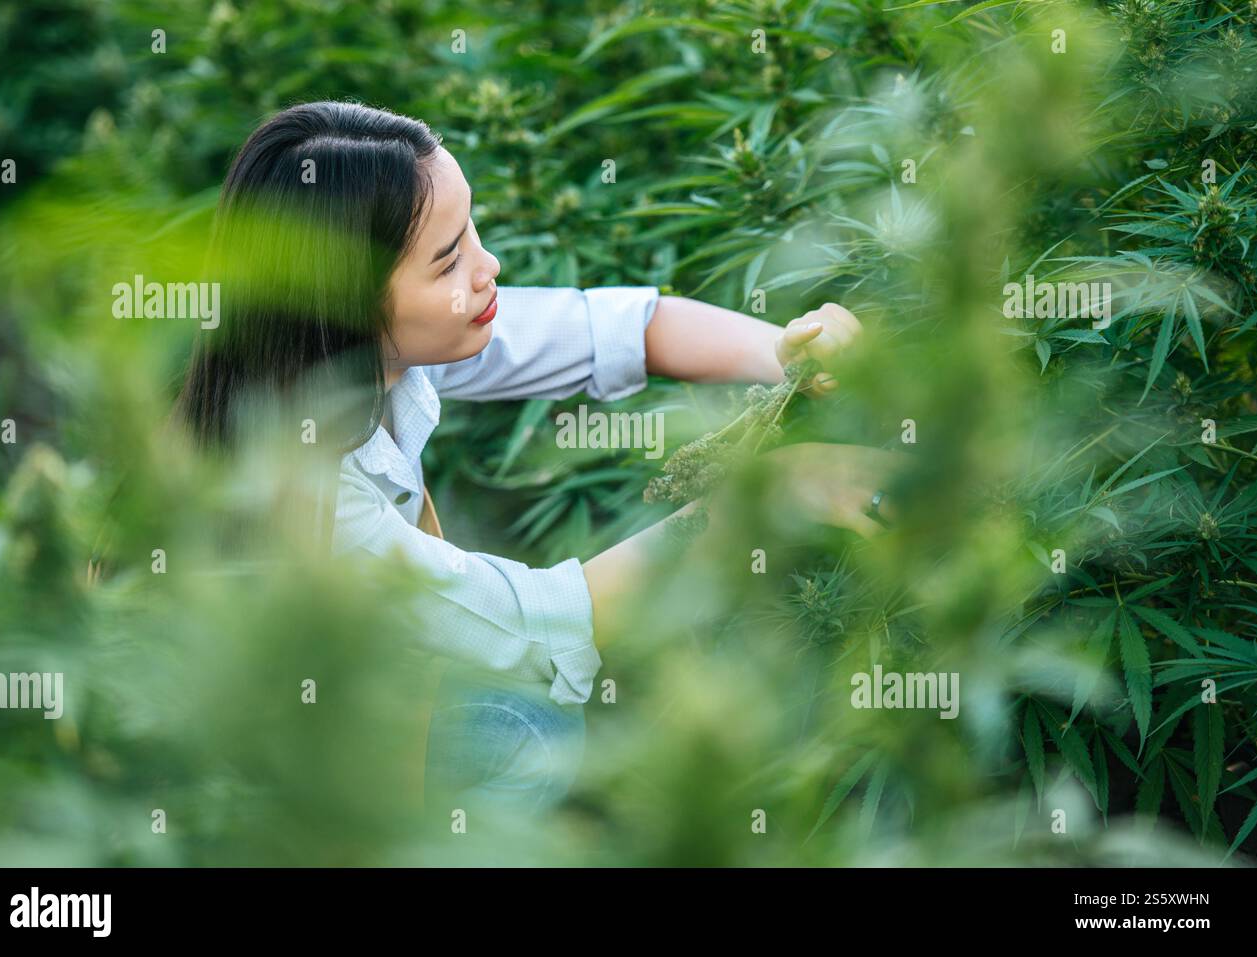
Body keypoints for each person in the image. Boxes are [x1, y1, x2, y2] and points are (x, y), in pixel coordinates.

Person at [173, 100, 898, 824]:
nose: (487, 267)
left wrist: (781, 351)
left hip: (344, 686)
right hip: (257, 763)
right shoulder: (316, 501)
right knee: (523, 732)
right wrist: (777, 491)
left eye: (471, 232)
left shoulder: (372, 351)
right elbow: (530, 622)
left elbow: (608, 332)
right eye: (448, 257)